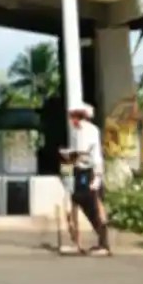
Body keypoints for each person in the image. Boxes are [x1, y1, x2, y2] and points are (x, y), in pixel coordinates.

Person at [59, 102, 112, 256]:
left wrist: (97, 177)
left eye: (76, 116)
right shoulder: (75, 131)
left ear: (83, 116)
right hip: (78, 170)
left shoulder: (90, 130)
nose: (73, 120)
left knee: (96, 206)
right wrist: (67, 165)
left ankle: (104, 244)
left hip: (91, 171)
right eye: (72, 116)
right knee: (73, 204)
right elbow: (75, 155)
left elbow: (86, 153)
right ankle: (77, 243)